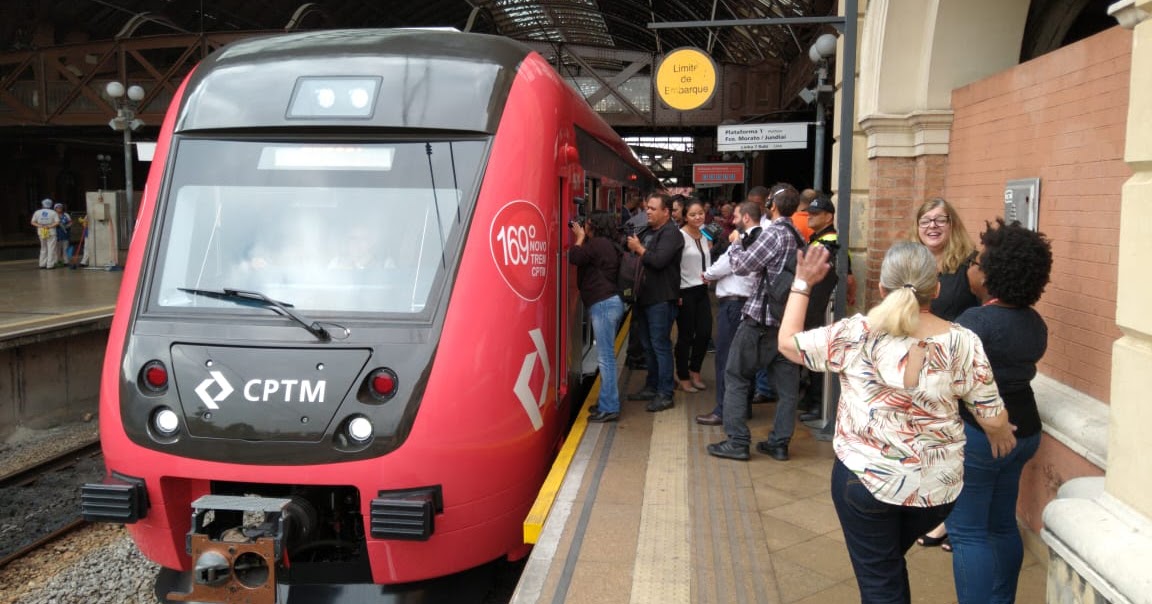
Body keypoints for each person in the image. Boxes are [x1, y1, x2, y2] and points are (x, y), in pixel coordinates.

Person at [778, 241, 1014, 604]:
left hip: (866, 481)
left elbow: (788, 344)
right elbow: (992, 415)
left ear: (881, 288)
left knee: (880, 581)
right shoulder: (963, 342)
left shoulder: (856, 334)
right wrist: (1000, 433)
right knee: (885, 567)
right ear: (936, 289)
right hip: (936, 491)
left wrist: (802, 283)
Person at [948, 219, 1052, 604]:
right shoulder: (1034, 322)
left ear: (991, 274)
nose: (971, 268)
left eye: (976, 262)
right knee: (1001, 524)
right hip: (1025, 431)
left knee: (967, 532)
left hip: (983, 436)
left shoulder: (975, 322)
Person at [705, 183, 803, 462]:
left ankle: (737, 441)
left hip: (760, 319)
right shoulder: (798, 235)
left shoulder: (774, 233)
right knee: (787, 389)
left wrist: (736, 243)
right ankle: (779, 444)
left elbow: (742, 266)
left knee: (735, 375)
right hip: (787, 322)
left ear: (772, 205)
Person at [913, 197, 984, 549]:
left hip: (958, 368)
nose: (933, 226)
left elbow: (987, 311)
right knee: (931, 442)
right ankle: (936, 509)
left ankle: (954, 521)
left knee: (957, 445)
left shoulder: (970, 265)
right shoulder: (914, 263)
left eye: (940, 220)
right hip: (920, 366)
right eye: (926, 220)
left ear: (952, 224)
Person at [695, 200, 760, 426]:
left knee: (726, 359)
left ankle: (723, 410)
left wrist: (708, 274)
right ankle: (743, 407)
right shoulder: (762, 238)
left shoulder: (743, 240)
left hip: (733, 305)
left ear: (746, 218)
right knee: (745, 359)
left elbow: (726, 264)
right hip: (748, 304)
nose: (733, 221)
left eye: (736, 216)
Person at [797, 194, 857, 423]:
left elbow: (847, 277)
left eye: (815, 214)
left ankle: (818, 404)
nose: (810, 217)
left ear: (829, 217)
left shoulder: (829, 242)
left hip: (820, 309)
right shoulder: (821, 239)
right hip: (815, 307)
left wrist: (849, 295)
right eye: (809, 213)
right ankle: (812, 400)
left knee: (817, 356)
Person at [626, 192, 684, 412]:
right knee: (648, 346)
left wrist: (639, 248)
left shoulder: (672, 234)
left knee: (660, 346)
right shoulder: (649, 231)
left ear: (666, 212)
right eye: (647, 208)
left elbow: (659, 261)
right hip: (644, 297)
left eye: (652, 208)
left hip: (661, 299)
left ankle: (665, 393)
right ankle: (652, 386)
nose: (647, 212)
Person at [569, 211, 626, 422]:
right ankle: (605, 402)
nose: (585, 226)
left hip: (603, 304)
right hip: (610, 302)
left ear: (595, 225)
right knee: (606, 356)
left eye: (587, 224)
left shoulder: (597, 244)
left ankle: (609, 407)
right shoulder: (609, 244)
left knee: (606, 357)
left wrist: (579, 237)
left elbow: (574, 257)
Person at [674, 198, 713, 393]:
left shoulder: (705, 233)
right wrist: (676, 293)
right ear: (685, 217)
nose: (698, 217)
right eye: (693, 214)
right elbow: (673, 266)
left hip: (702, 290)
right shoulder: (679, 236)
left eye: (700, 213)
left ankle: (695, 370)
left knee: (705, 333)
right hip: (685, 291)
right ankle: (682, 376)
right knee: (686, 335)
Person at [30, 198, 60, 269]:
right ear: (51, 205)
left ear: (42, 204)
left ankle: (42, 264)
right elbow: (57, 222)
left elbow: (32, 222)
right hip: (51, 231)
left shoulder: (37, 212)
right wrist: (49, 226)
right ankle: (50, 265)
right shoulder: (53, 212)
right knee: (51, 248)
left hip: (41, 231)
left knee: (43, 248)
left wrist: (40, 226)